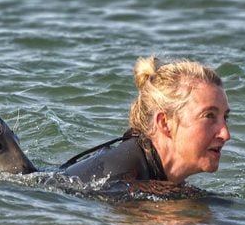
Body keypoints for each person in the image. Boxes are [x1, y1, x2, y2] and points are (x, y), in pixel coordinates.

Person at [61, 56, 230, 187]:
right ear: (164, 123)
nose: (225, 134)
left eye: (225, 118)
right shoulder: (120, 181)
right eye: (209, 116)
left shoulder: (152, 174)